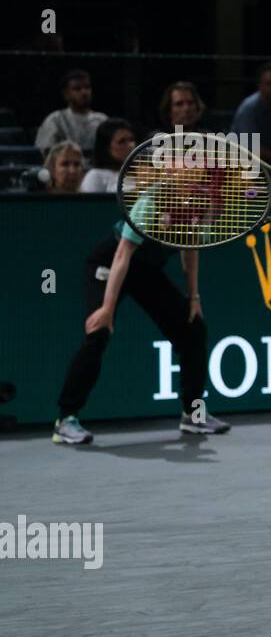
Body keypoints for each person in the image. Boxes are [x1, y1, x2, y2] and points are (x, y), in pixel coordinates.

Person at [52, 181, 231, 444]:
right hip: (110, 263)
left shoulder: (198, 207)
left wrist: (193, 298)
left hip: (146, 271)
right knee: (99, 332)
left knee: (193, 329)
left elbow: (190, 249)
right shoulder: (152, 202)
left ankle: (193, 415)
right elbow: (123, 255)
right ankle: (66, 419)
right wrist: (108, 309)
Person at [35, 70, 107, 156]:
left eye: (87, 87)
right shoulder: (55, 120)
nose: (84, 92)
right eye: (77, 89)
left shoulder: (102, 120)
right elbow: (46, 152)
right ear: (66, 94)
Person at [80, 119, 136, 193]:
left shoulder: (144, 173)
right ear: (106, 147)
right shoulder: (95, 176)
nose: (130, 145)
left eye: (131, 140)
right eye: (122, 141)